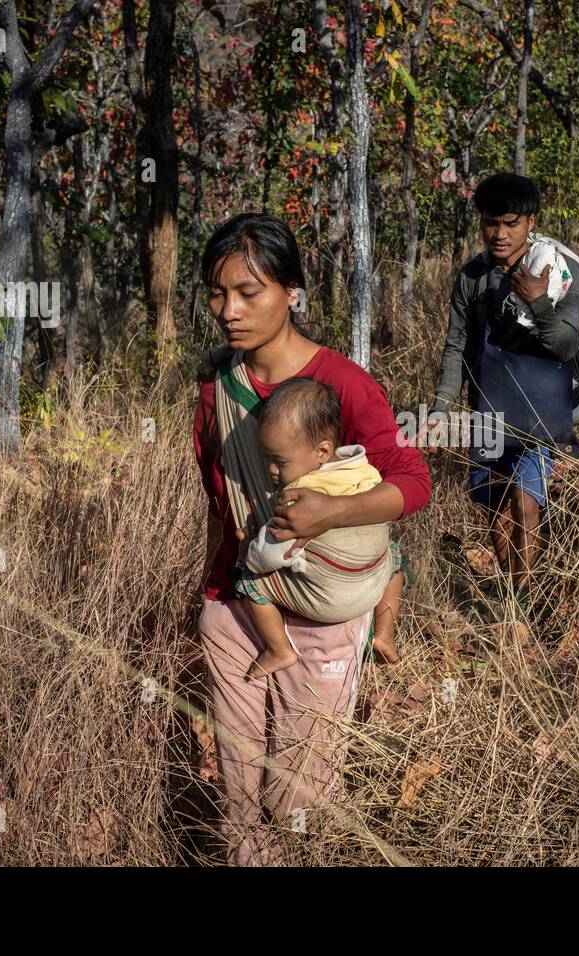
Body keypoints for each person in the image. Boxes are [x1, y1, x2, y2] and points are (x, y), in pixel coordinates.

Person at [193, 213, 429, 864]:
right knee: (238, 793)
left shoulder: (343, 384)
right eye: (218, 293)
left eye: (249, 291)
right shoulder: (216, 389)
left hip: (323, 617)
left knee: (299, 797)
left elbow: (412, 482)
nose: (229, 310)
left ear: (292, 292)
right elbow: (221, 500)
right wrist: (221, 593)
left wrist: (328, 513)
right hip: (237, 607)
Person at [431, 172, 579, 611]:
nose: (499, 233)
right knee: (494, 502)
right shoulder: (473, 277)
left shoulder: (561, 270)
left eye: (510, 223)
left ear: (530, 222)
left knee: (525, 496)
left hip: (541, 409)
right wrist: (442, 408)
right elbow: (456, 344)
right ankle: (512, 589)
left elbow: (565, 344)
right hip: (488, 406)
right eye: (490, 222)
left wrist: (538, 302)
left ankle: (525, 602)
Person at [233, 376, 396, 680]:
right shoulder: (363, 468)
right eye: (267, 458)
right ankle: (384, 632)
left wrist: (246, 548)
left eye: (278, 461)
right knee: (396, 557)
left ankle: (278, 648)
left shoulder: (300, 497)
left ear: (321, 451)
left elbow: (267, 557)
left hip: (332, 603)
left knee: (248, 580)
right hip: (372, 587)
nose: (270, 470)